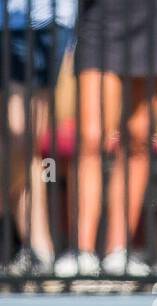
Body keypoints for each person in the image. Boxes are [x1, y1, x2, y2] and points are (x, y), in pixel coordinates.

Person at [55, 0, 157, 277]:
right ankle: (81, 251)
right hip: (100, 15)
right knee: (91, 137)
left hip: (155, 18)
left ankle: (118, 252)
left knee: (139, 139)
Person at [3, 0, 75, 275]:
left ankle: (38, 248)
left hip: (50, 21)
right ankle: (38, 246)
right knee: (16, 134)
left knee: (25, 136)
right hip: (12, 21)